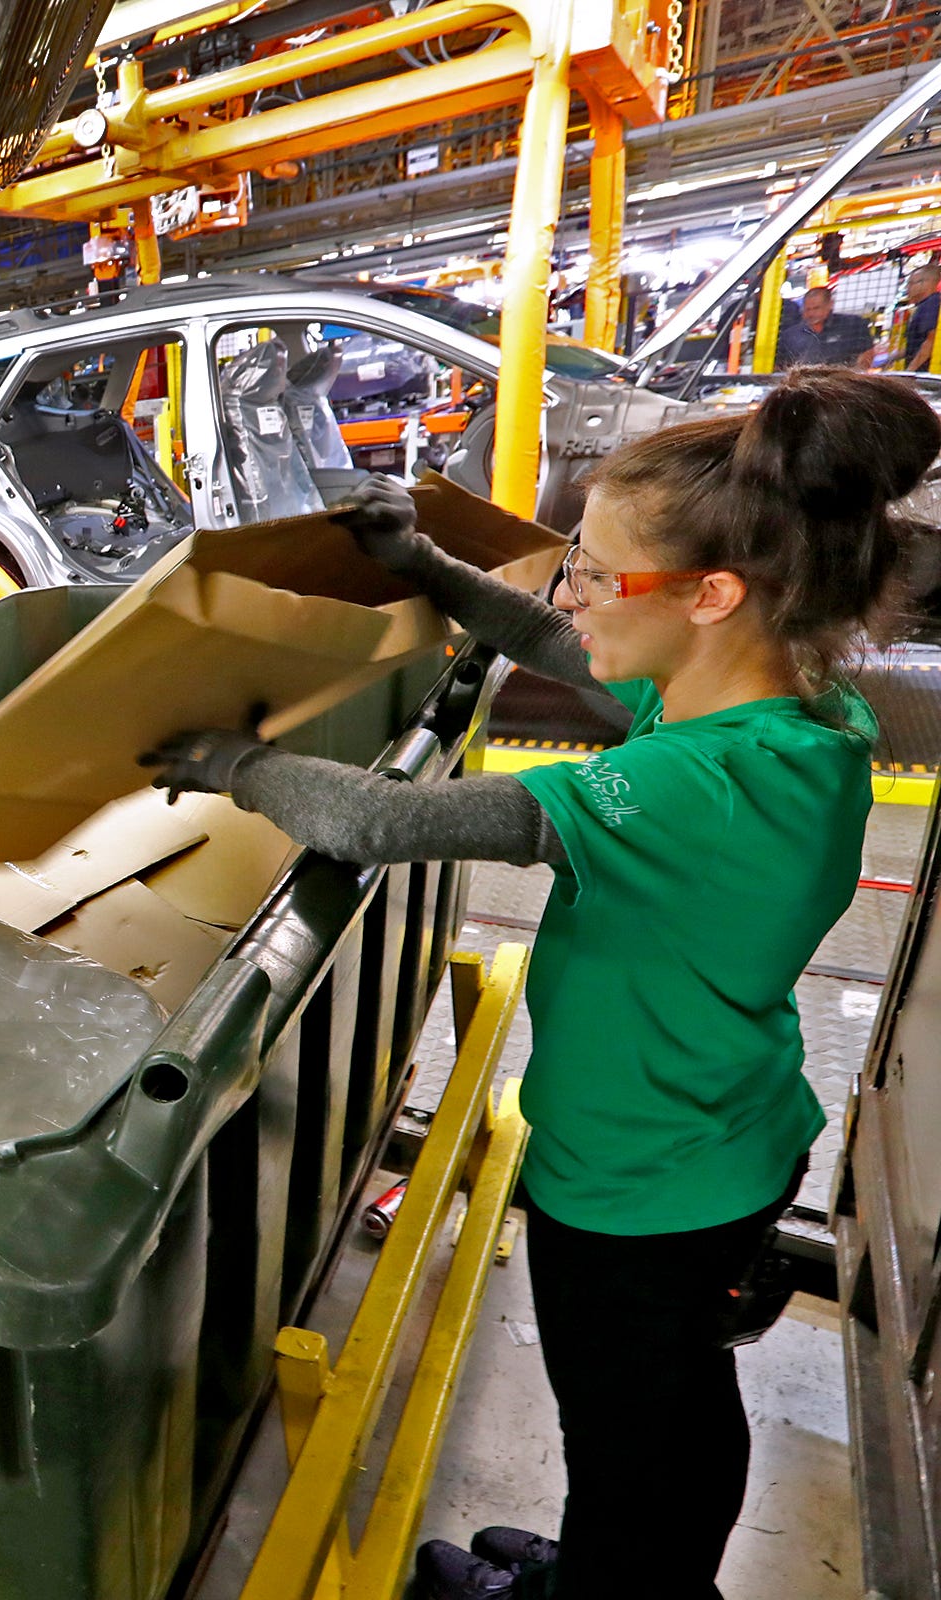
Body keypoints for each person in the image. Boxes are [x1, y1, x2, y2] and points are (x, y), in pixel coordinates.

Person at [143, 369, 941, 1600]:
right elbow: (565, 645)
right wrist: (427, 567)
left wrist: (232, 761)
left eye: (593, 568)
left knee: (624, 1427)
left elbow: (374, 824)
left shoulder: (691, 787)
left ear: (712, 594)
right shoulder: (786, 714)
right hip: (725, 1136)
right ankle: (625, 1569)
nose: (571, 588)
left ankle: (613, 1589)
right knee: (670, 1408)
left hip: (636, 1185)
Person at [773, 285, 873, 370]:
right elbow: (780, 366)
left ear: (830, 304)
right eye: (808, 309)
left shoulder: (852, 324)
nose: (811, 313)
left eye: (816, 308)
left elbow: (867, 354)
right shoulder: (790, 335)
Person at [901, 262, 940, 372]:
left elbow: (930, 342)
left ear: (924, 284)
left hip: (926, 376)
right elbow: (915, 345)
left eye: (910, 283)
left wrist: (910, 371)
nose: (908, 288)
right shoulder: (928, 304)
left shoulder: (931, 305)